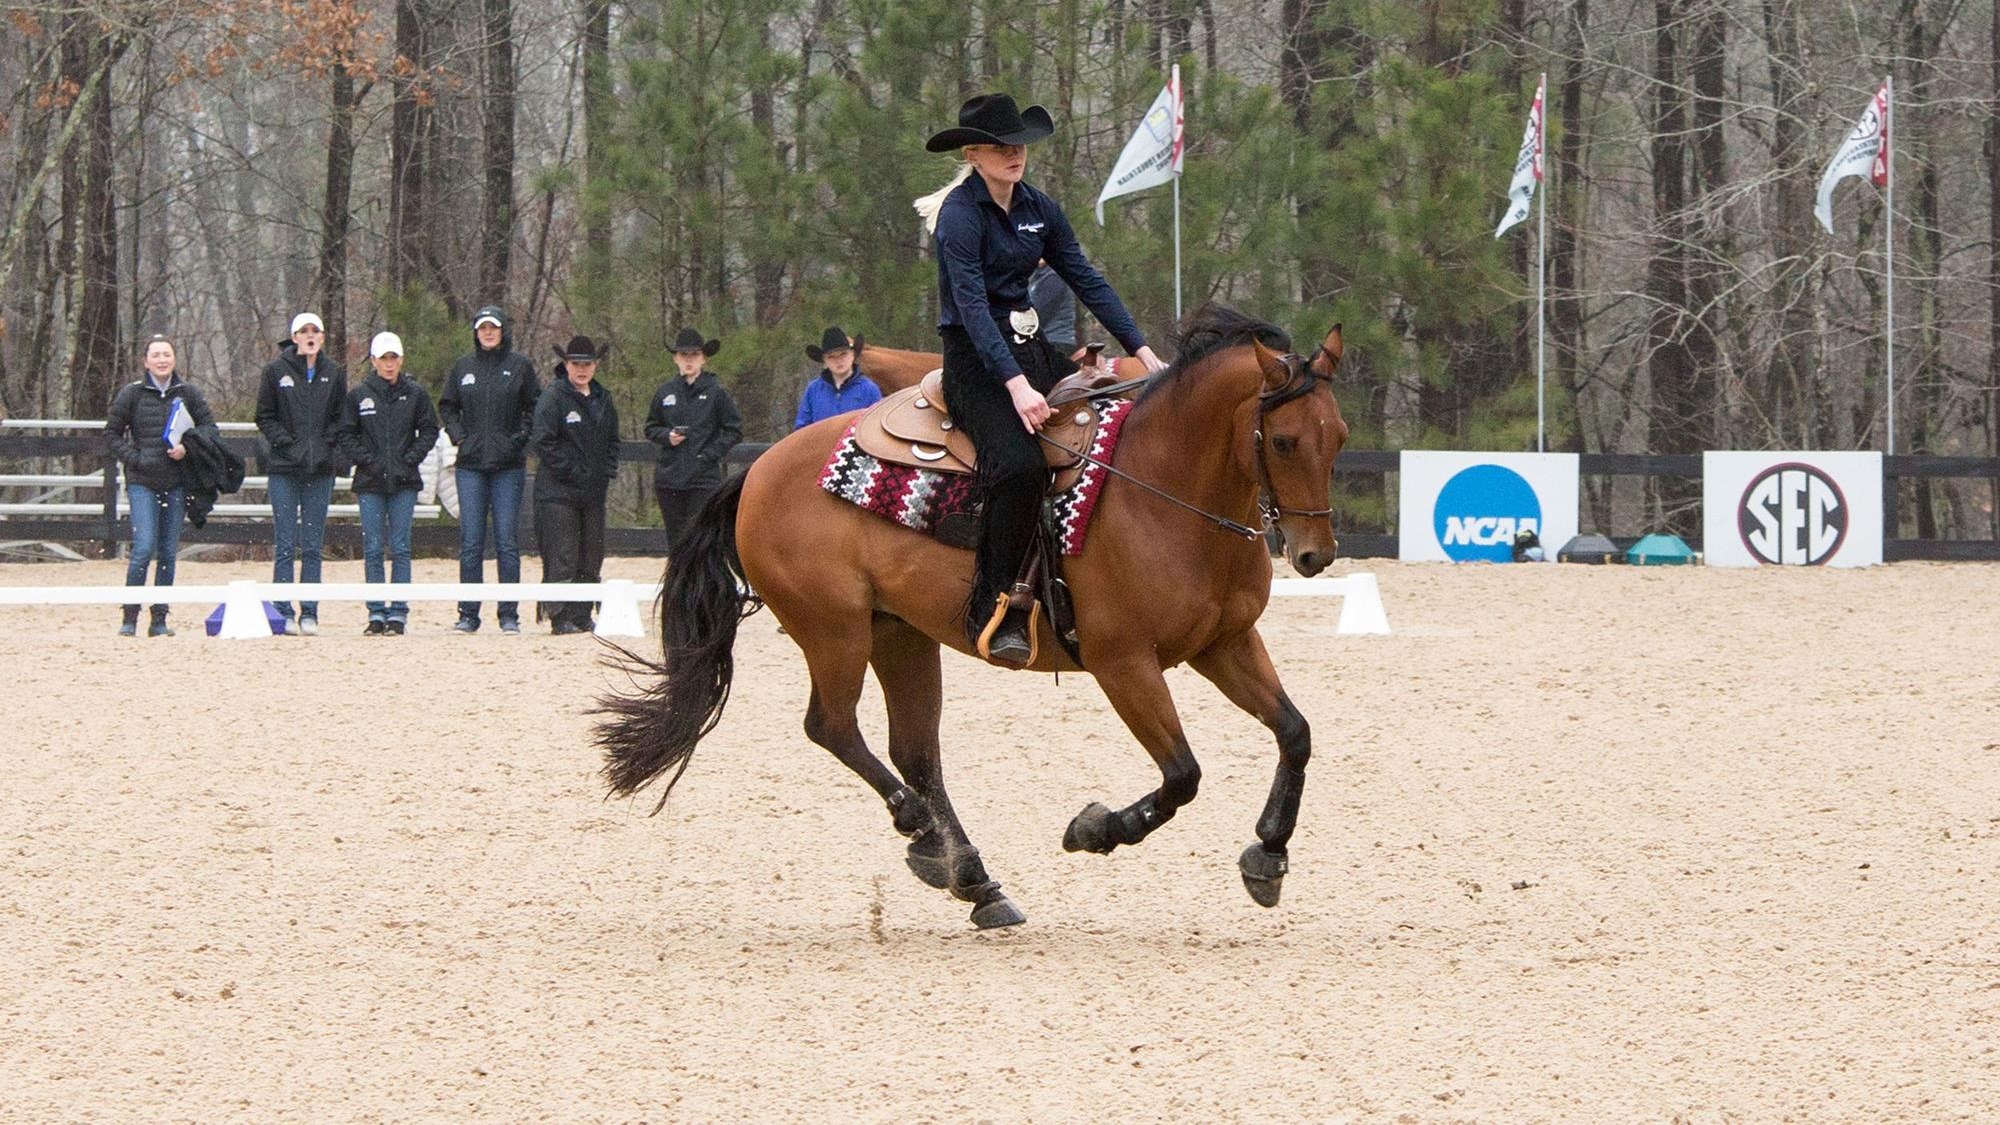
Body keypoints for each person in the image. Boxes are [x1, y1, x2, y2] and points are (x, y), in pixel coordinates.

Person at [914, 92, 1168, 666]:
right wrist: (1016, 386)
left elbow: (1087, 279)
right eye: (1003, 147)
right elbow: (973, 309)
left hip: (1033, 350)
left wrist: (1143, 351)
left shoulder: (1039, 208)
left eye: (1020, 146)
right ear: (975, 153)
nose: (1015, 155)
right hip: (977, 366)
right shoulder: (958, 215)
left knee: (1111, 418)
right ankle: (993, 606)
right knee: (1020, 467)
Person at [103, 334, 215, 637]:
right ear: (145, 361)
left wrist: (187, 449)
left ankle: (160, 618)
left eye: (167, 354)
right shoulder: (132, 394)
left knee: (167, 552)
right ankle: (130, 615)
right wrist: (136, 458)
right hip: (143, 481)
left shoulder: (189, 393)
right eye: (156, 355)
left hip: (176, 481)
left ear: (174, 359)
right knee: (143, 547)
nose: (162, 359)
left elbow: (209, 429)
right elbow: (111, 434)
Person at [439, 305, 540, 633]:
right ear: (475, 331)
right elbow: (447, 406)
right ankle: (468, 613)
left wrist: (518, 440)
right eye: (482, 328)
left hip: (508, 467)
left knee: (507, 541)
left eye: (493, 327)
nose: (488, 333)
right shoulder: (462, 367)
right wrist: (459, 437)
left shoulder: (520, 366)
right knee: (470, 541)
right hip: (470, 466)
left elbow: (534, 407)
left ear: (502, 330)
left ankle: (508, 613)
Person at [339, 331, 440, 635]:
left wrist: (410, 458)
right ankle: (375, 612)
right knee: (372, 547)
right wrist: (367, 460)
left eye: (393, 358)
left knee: (400, 547)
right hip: (370, 482)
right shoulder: (359, 396)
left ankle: (398, 612)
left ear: (401, 360)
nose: (389, 363)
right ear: (373, 361)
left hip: (404, 481)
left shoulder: (415, 394)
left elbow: (429, 430)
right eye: (383, 358)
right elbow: (347, 434)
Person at [255, 311, 348, 635]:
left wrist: (326, 446)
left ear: (322, 337)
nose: (310, 336)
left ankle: (310, 611)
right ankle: (283, 610)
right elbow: (264, 416)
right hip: (284, 468)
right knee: (284, 543)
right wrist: (287, 443)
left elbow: (340, 416)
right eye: (303, 331)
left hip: (319, 469)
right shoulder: (275, 371)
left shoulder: (334, 372)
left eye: (315, 331)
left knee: (311, 544)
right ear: (294, 337)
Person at [532, 335, 621, 635]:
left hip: (593, 491)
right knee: (563, 553)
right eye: (576, 364)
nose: (582, 369)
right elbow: (545, 442)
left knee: (592, 553)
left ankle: (583, 612)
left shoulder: (603, 398)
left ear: (595, 366)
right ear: (566, 365)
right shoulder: (553, 397)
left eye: (587, 364)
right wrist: (572, 472)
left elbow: (612, 440)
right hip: (558, 491)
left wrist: (606, 471)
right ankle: (560, 614)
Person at [643, 327, 742, 545]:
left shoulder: (716, 393)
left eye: (694, 355)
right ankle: (678, 579)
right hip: (669, 477)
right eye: (684, 355)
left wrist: (708, 454)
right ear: (675, 359)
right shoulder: (665, 392)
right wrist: (667, 436)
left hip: (703, 478)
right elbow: (650, 427)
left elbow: (734, 429)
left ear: (704, 358)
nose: (689, 361)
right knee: (676, 538)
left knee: (701, 537)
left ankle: (702, 580)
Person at [792, 325, 882, 430]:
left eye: (843, 354)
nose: (838, 360)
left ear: (853, 355)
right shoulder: (813, 390)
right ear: (824, 361)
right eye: (831, 356)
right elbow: (801, 429)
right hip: (821, 445)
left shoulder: (869, 390)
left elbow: (876, 429)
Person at [1027, 261, 1077, 353]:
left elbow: (1039, 313)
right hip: (1045, 340)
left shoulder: (1055, 277)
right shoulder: (1038, 276)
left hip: (1055, 341)